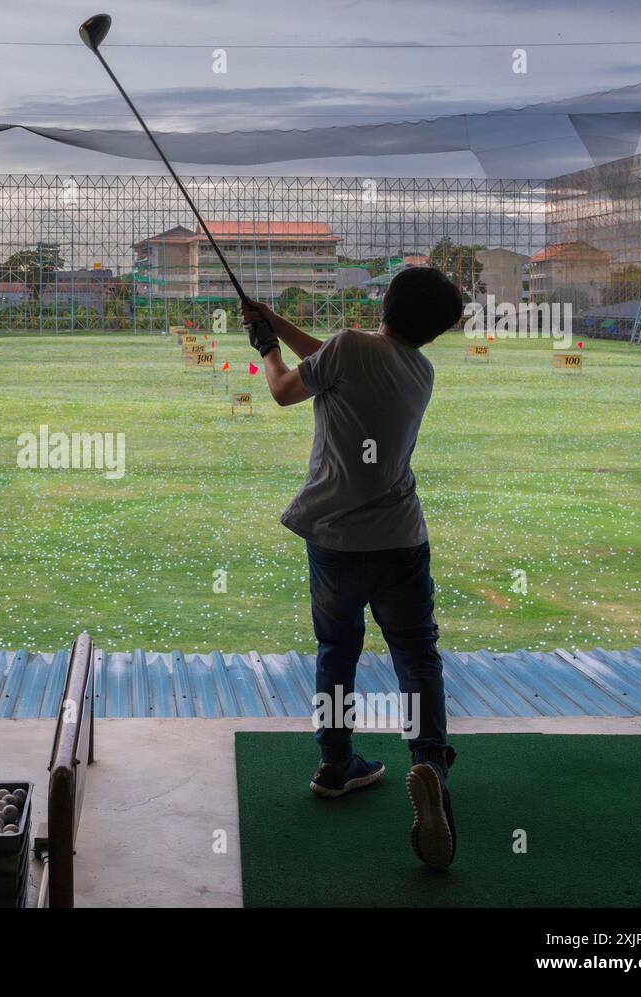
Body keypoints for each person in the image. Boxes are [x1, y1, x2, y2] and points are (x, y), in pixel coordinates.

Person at [242, 266, 464, 869]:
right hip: (401, 541)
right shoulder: (418, 369)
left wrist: (265, 348)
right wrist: (277, 320)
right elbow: (336, 358)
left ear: (385, 302)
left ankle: (337, 764)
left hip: (338, 542)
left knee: (337, 651)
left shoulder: (350, 350)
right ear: (435, 331)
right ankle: (428, 762)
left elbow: (288, 387)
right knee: (417, 655)